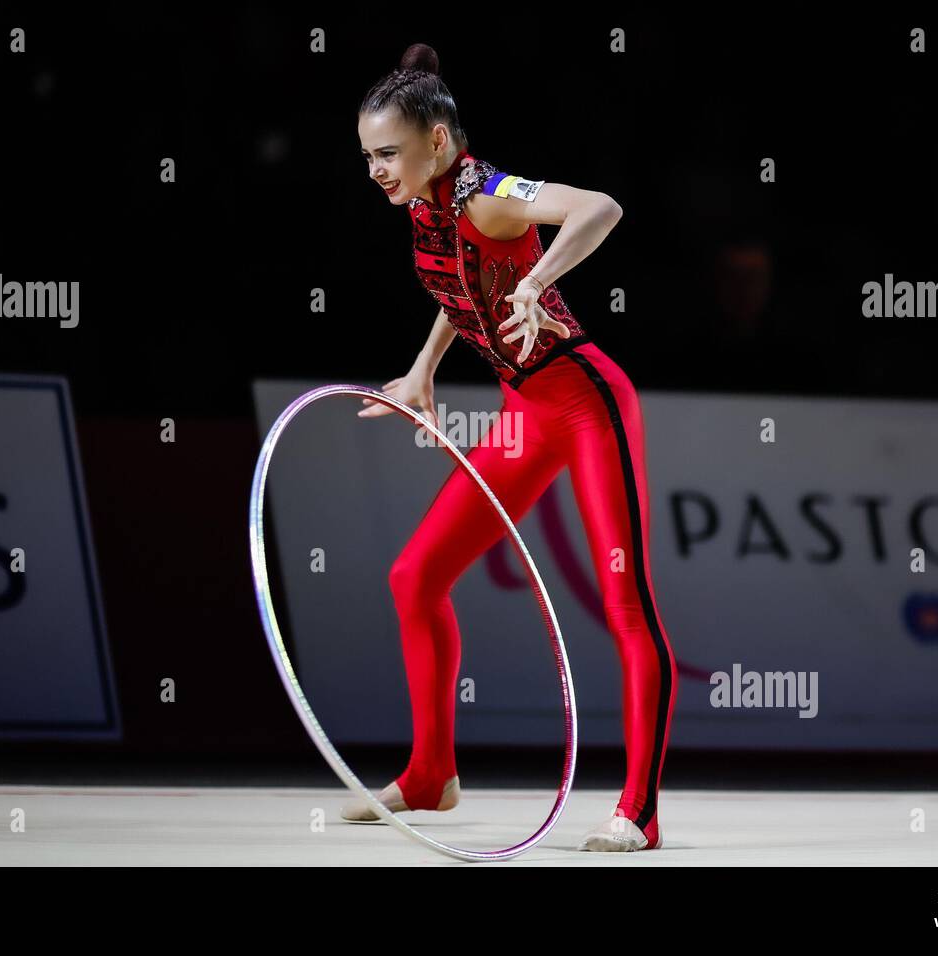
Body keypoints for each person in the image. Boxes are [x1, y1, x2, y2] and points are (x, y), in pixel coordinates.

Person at [343, 42, 678, 851]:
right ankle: (431, 775)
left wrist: (535, 282)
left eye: (388, 153)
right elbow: (459, 286)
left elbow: (600, 208)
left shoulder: (490, 193)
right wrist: (424, 369)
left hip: (585, 402)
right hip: (525, 411)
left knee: (626, 606)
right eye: (367, 157)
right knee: (415, 576)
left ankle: (639, 811)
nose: (376, 170)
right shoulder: (427, 204)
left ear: (438, 140)